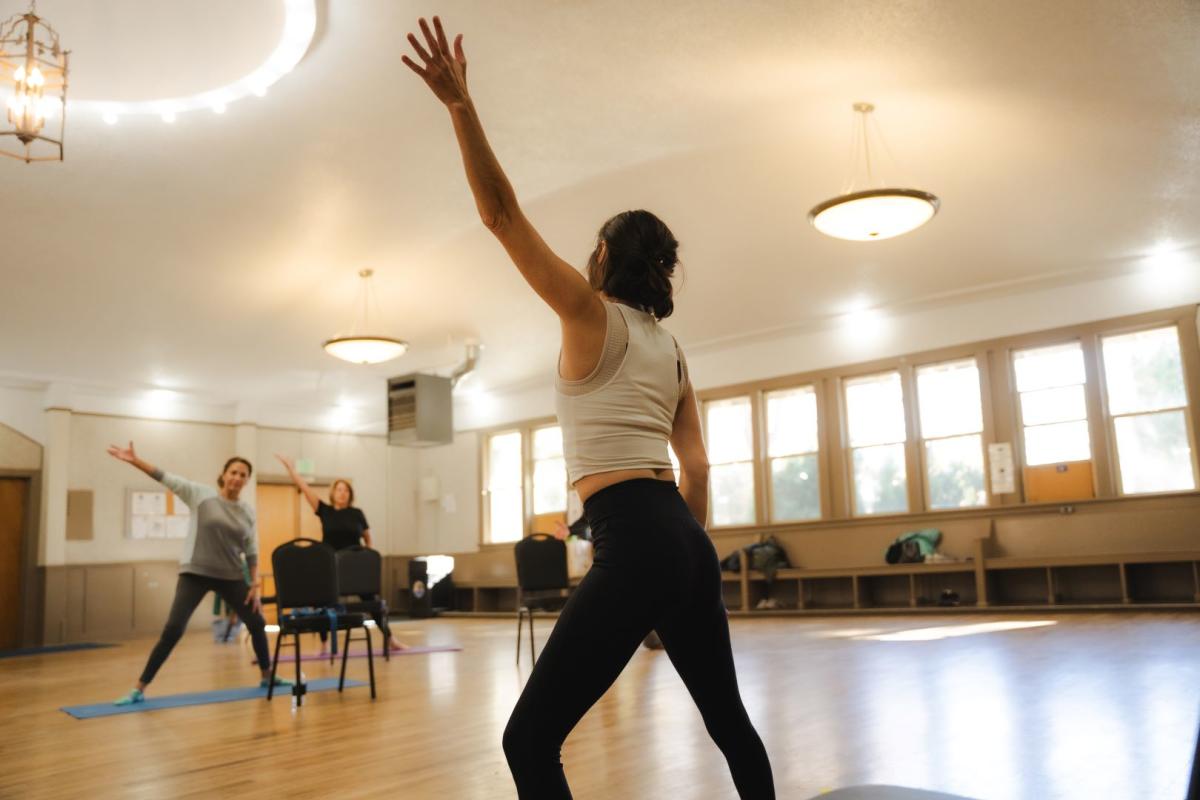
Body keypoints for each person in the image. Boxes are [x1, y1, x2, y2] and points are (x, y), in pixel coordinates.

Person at [401, 17, 775, 798]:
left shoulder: (585, 312)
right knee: (731, 722)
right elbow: (696, 465)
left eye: (592, 245)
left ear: (603, 257)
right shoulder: (670, 348)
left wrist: (461, 107)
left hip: (633, 536)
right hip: (684, 537)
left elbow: (501, 215)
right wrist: (681, 566)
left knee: (527, 739)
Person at [106, 443, 290, 705]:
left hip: (232, 576)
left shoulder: (247, 511)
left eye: (243, 475)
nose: (237, 478)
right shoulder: (200, 495)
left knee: (257, 623)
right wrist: (134, 460)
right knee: (173, 629)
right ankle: (139, 688)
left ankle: (267, 675)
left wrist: (253, 584)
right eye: (234, 472)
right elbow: (164, 477)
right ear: (224, 474)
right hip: (196, 573)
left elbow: (251, 549)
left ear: (247, 481)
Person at [274, 455, 406, 652]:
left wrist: (367, 557)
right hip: (330, 566)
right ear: (333, 493)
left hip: (353, 565)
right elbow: (305, 488)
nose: (342, 493)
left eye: (346, 490)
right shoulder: (325, 510)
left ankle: (390, 638)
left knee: (371, 600)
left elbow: (368, 538)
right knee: (322, 601)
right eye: (339, 489)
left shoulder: (357, 513)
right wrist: (292, 470)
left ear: (350, 494)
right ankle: (324, 642)